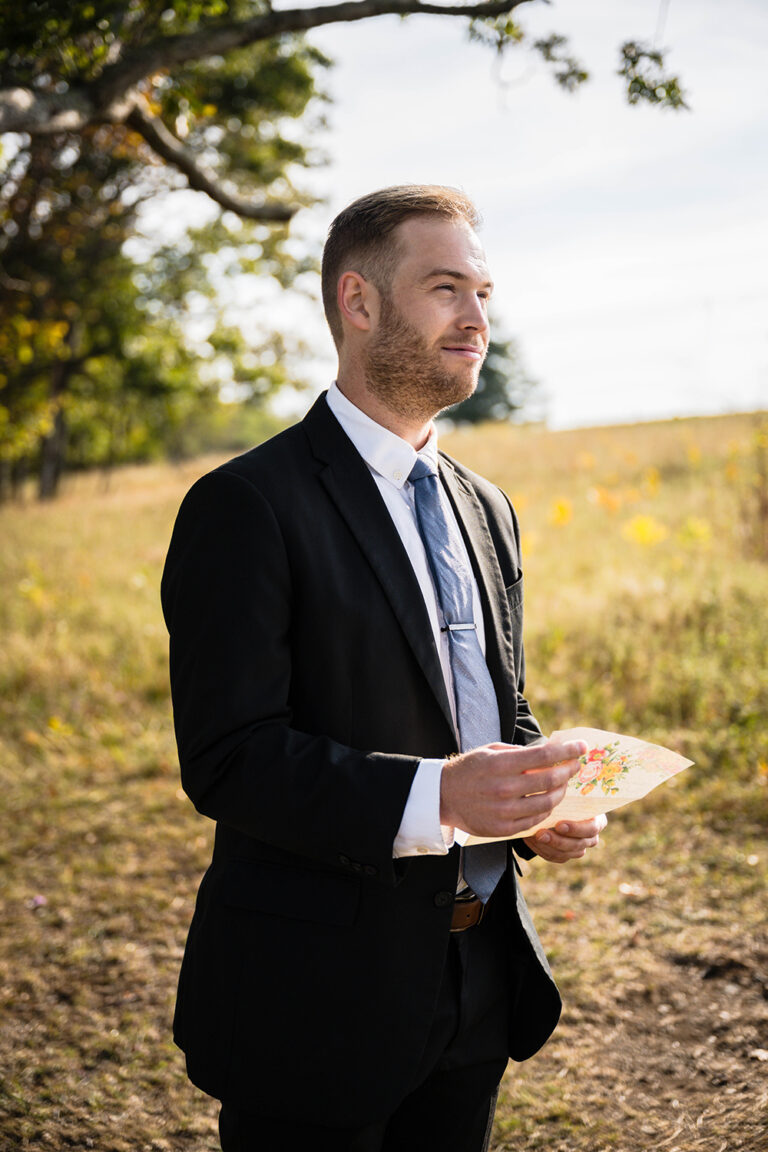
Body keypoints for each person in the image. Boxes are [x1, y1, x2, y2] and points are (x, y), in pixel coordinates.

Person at [161, 184, 607, 1152]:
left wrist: (539, 796)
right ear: (357, 303)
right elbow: (229, 758)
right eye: (447, 288)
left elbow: (499, 713)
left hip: (479, 983)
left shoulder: (488, 507)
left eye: (484, 292)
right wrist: (443, 798)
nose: (479, 319)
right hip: (313, 997)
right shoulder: (244, 507)